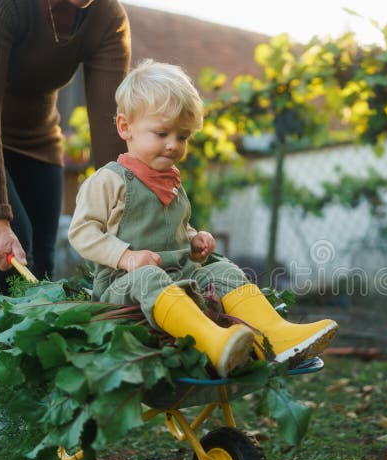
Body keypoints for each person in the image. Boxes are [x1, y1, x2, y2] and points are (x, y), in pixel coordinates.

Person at [68, 60, 338, 377]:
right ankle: (213, 342)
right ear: (125, 127)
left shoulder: (171, 182)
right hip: (123, 286)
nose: (173, 144)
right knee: (148, 277)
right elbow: (82, 232)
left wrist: (194, 240)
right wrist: (125, 257)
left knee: (221, 270)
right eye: (161, 133)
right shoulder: (109, 180)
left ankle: (275, 336)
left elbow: (174, 230)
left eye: (182, 137)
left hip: (180, 276)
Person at [0, 0, 131, 331]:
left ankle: (33, 371)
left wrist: (124, 214)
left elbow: (111, 130)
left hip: (36, 132)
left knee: (40, 258)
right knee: (12, 240)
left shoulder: (108, 18)